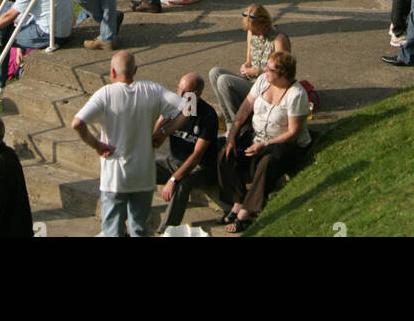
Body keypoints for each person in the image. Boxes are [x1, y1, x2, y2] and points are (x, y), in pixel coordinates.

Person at [72, 49, 185, 238]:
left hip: (115, 178)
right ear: (135, 70)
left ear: (112, 72)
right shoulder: (152, 90)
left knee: (112, 231)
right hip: (143, 175)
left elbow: (77, 123)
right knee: (140, 229)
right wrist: (164, 131)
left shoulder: (105, 94)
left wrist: (97, 145)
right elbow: (189, 107)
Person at [217, 49, 311, 232]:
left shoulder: (296, 95)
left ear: (282, 73)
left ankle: (248, 211)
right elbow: (245, 108)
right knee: (225, 151)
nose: (264, 71)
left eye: (269, 69)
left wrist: (266, 144)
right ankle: (237, 200)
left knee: (267, 162)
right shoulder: (262, 82)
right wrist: (233, 135)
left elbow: (293, 132)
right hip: (257, 135)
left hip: (284, 143)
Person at [154, 73, 219, 232]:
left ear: (198, 93)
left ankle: (166, 231)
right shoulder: (174, 106)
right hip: (173, 161)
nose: (181, 95)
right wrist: (162, 121)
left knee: (182, 183)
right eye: (179, 90)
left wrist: (173, 179)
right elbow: (156, 136)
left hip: (200, 167)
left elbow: (197, 156)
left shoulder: (208, 116)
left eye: (186, 92)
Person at [208, 4, 292, 125]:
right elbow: (249, 60)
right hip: (250, 79)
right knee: (215, 73)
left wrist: (259, 72)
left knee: (224, 81)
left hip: (266, 85)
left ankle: (237, 124)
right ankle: (229, 119)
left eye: (255, 30)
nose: (252, 33)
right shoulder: (251, 33)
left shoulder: (279, 40)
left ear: (265, 23)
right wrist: (246, 66)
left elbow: (284, 73)